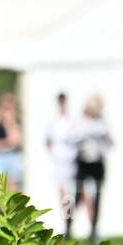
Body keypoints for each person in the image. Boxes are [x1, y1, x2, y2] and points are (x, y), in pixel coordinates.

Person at [73, 95, 112, 242]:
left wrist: (102, 137)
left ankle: (94, 229)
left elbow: (111, 141)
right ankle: (69, 227)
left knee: (98, 196)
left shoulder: (102, 122)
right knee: (75, 196)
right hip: (82, 162)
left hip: (97, 162)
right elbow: (73, 138)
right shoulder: (80, 121)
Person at [46, 92, 78, 236]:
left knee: (69, 194)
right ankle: (67, 222)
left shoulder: (72, 121)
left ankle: (69, 222)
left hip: (70, 162)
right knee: (63, 194)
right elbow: (48, 140)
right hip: (59, 162)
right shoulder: (54, 122)